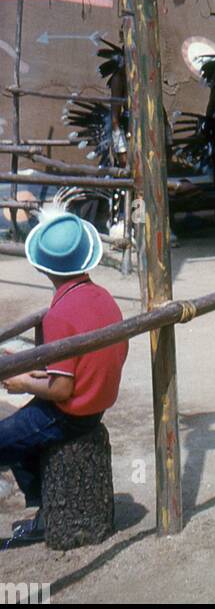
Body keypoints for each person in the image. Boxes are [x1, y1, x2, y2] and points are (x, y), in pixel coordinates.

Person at [0, 212, 128, 547]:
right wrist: (31, 369)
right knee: (19, 435)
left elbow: (61, 388)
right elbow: (80, 365)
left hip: (71, 413)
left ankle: (44, 511)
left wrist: (22, 382)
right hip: (96, 403)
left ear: (43, 267)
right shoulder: (102, 298)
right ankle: (44, 507)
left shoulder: (60, 314)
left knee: (5, 439)